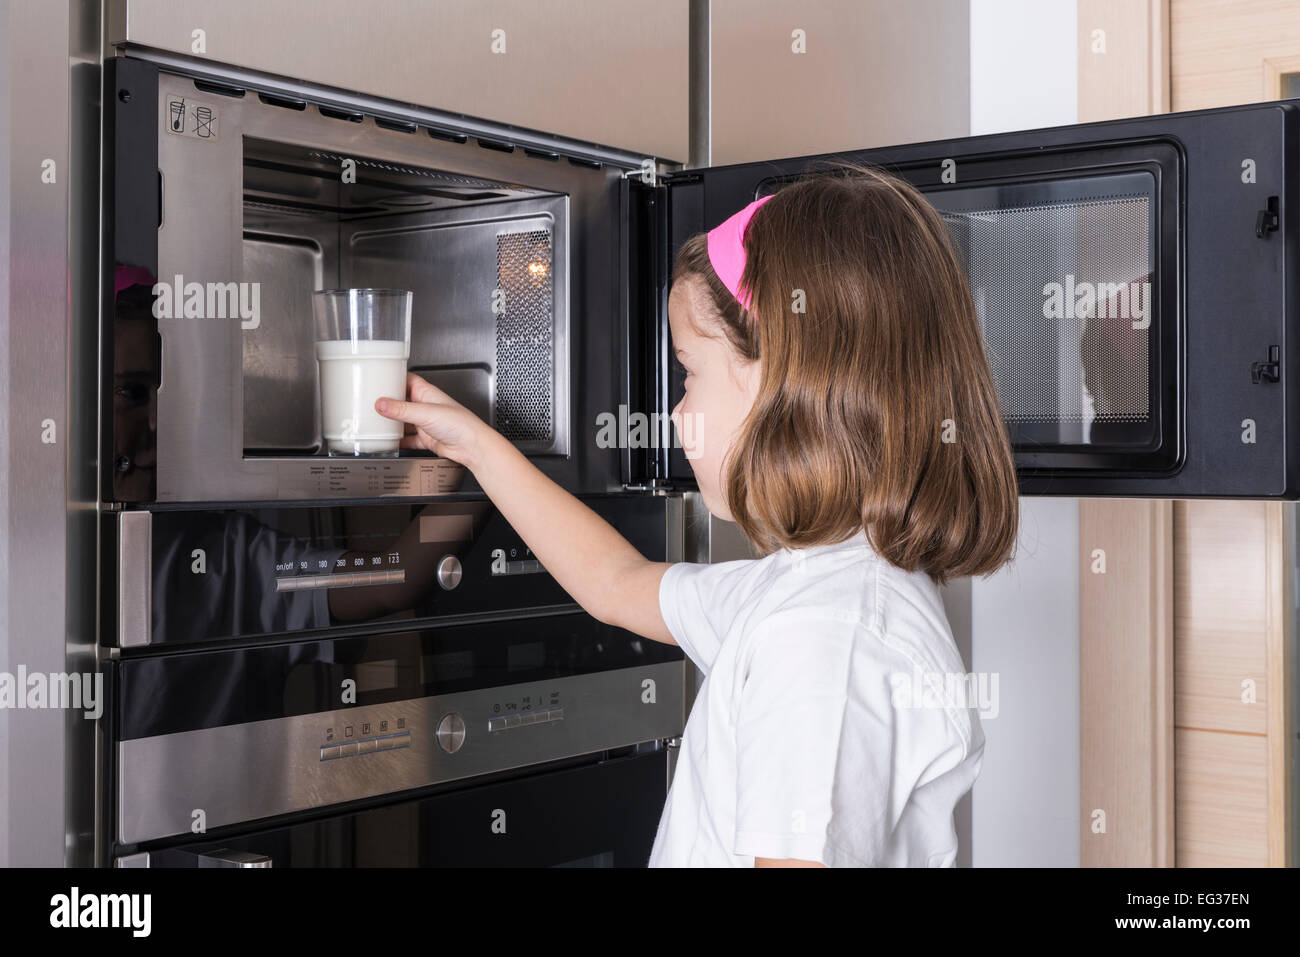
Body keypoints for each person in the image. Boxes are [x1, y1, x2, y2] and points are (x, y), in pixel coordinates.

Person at [375, 160, 1020, 868]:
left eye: (690, 373)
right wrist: (475, 446)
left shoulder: (820, 637)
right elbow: (615, 582)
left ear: (790, 385)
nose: (676, 413)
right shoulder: (814, 590)